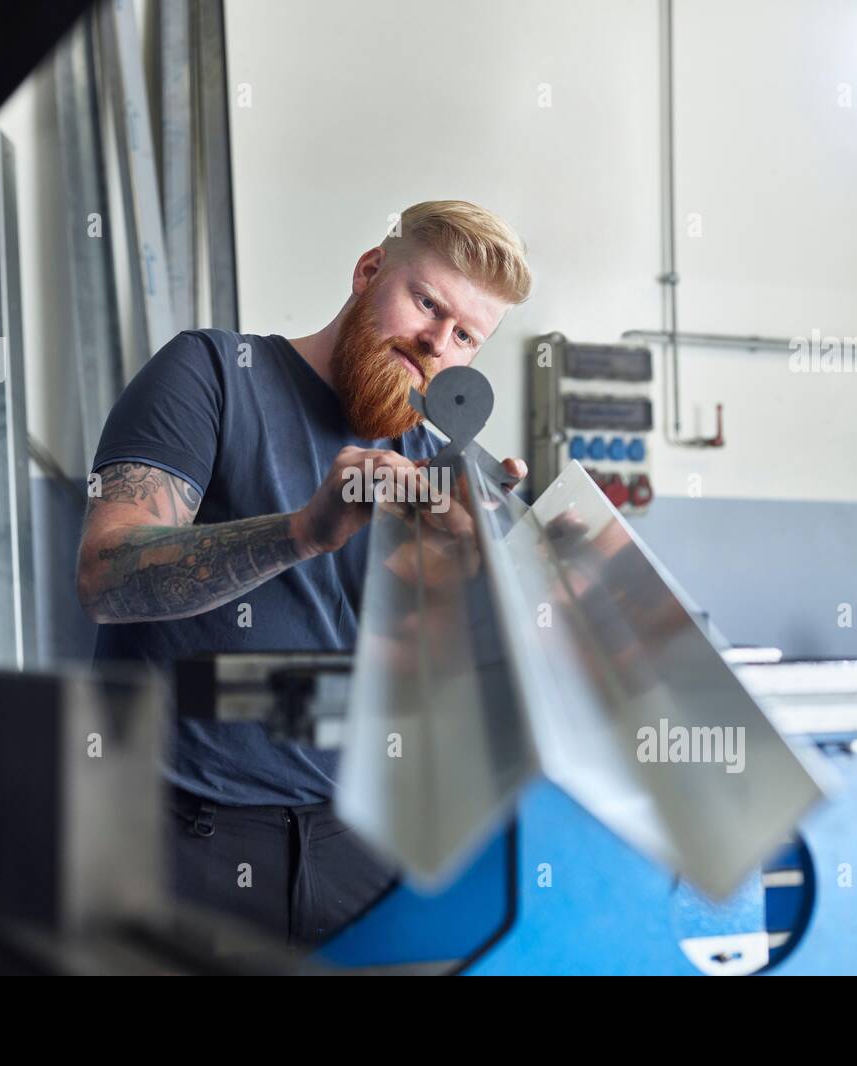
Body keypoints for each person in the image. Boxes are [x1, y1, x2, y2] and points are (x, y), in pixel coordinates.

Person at [76, 199, 533, 949]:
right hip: (174, 828)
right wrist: (301, 532)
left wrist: (478, 582)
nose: (433, 344)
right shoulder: (213, 373)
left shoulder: (430, 462)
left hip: (355, 840)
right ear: (368, 271)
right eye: (427, 303)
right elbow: (104, 576)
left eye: (463, 336)